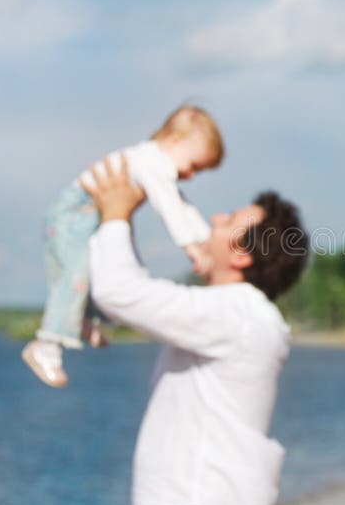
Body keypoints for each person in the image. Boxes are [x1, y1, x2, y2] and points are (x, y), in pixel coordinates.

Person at [82, 156, 308, 505]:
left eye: (230, 220)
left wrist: (116, 213)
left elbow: (118, 292)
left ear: (241, 254)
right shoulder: (247, 316)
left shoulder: (235, 312)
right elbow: (136, 296)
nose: (216, 218)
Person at [22, 105, 224, 388]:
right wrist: (194, 248)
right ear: (175, 140)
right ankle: (45, 346)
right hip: (74, 214)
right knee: (73, 279)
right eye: (193, 166)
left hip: (90, 215)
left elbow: (181, 205)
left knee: (106, 272)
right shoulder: (152, 162)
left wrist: (207, 239)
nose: (190, 175)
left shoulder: (152, 163)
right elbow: (170, 208)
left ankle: (80, 321)